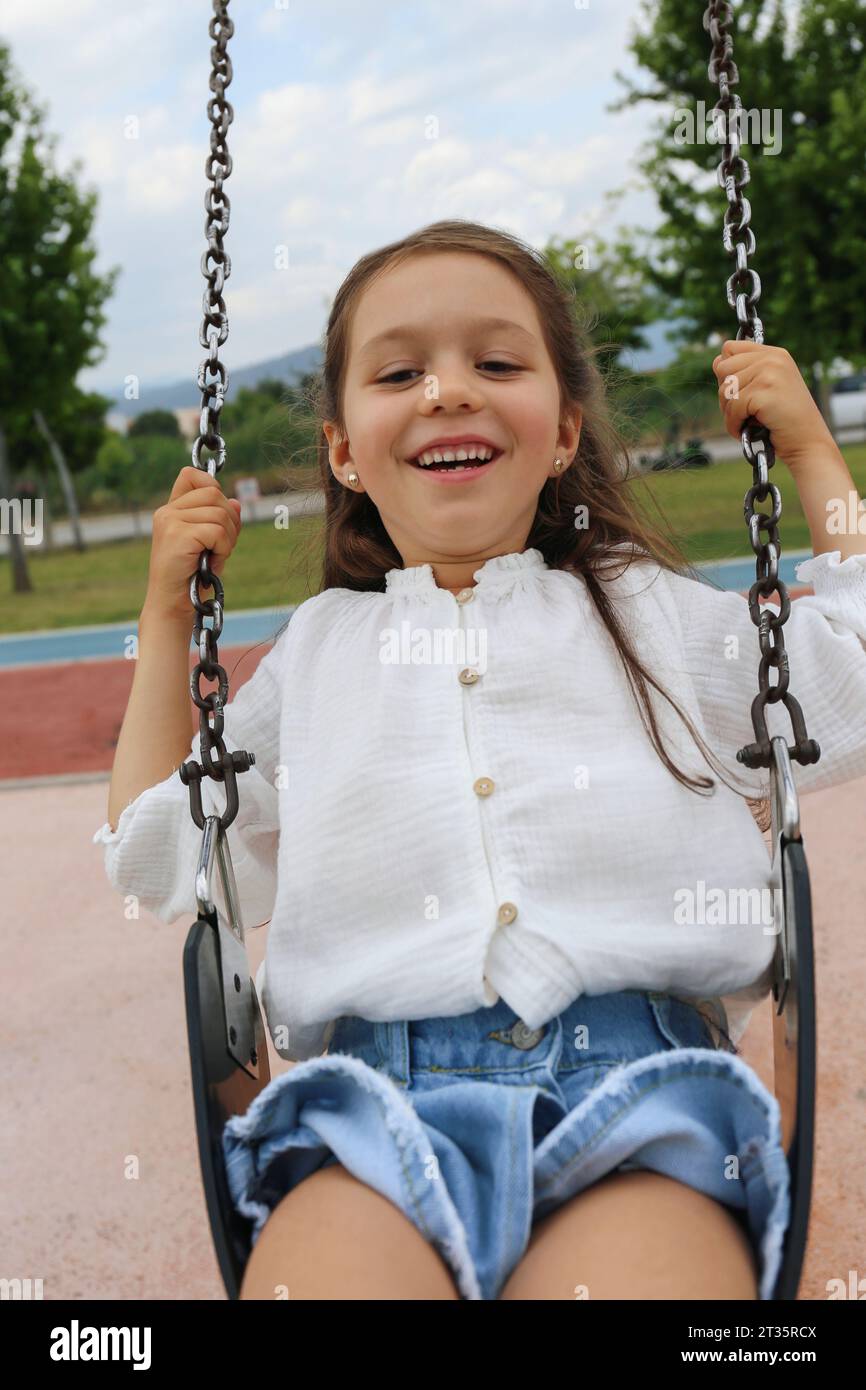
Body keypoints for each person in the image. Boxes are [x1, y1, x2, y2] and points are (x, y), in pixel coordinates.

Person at [93, 220, 866, 1301]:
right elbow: (153, 855)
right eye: (399, 370)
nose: (447, 389)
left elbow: (852, 670)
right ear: (343, 453)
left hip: (640, 1100)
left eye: (495, 363)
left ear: (560, 432)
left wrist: (809, 453)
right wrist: (167, 615)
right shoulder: (317, 654)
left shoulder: (647, 614)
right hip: (369, 1119)